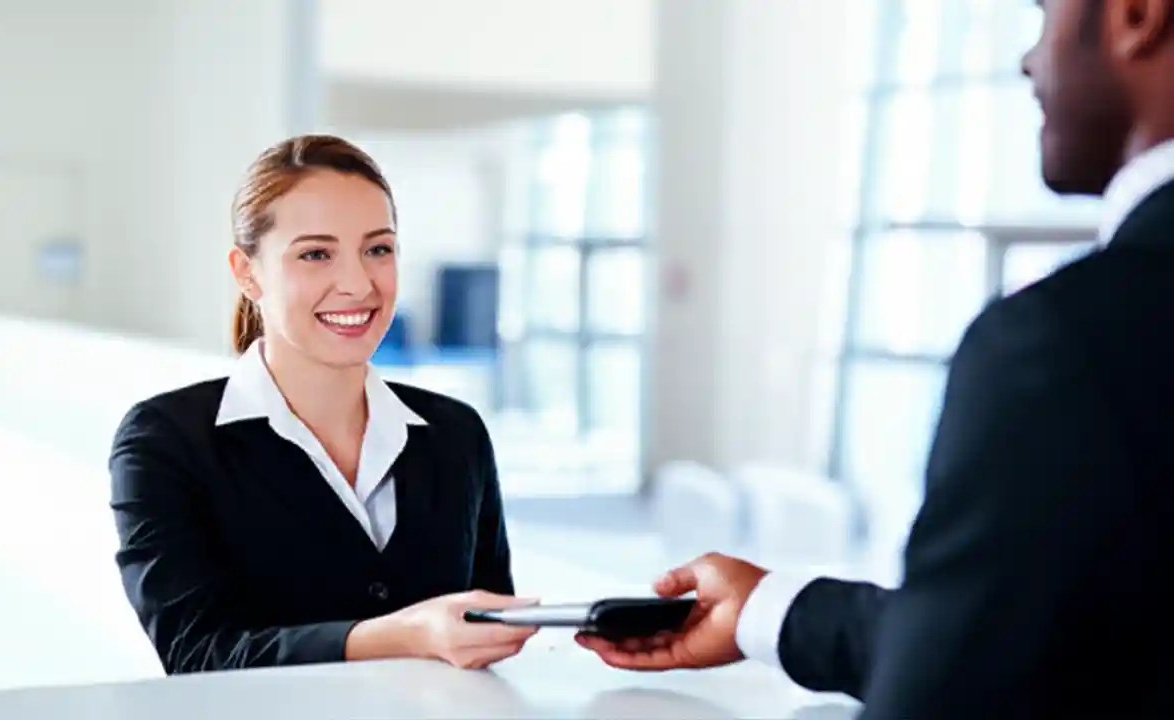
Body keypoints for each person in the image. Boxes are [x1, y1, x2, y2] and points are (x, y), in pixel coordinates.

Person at [578, 0, 1174, 716]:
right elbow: (1072, 645)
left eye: (1045, 12)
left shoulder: (1067, 342)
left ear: (1137, 15)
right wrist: (770, 608)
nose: (1029, 58)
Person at [109, 135, 537, 674]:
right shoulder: (166, 439)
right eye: (316, 254)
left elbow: (483, 632)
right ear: (247, 272)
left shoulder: (456, 432)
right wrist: (404, 634)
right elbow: (196, 650)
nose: (358, 283)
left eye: (378, 249)